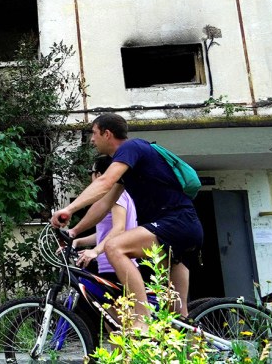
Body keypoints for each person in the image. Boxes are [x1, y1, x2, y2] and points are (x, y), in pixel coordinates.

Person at [50, 113, 202, 326]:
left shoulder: (132, 148)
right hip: (178, 228)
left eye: (94, 133)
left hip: (177, 222)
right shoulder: (128, 166)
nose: (92, 140)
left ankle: (141, 317)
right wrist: (75, 231)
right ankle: (200, 351)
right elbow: (103, 204)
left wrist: (69, 208)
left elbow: (104, 182)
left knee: (114, 247)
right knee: (177, 315)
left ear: (107, 133)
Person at [69, 155, 137, 283]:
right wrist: (78, 241)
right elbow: (104, 233)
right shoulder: (116, 195)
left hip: (115, 265)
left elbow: (119, 228)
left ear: (99, 175)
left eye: (92, 173)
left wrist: (95, 251)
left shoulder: (117, 196)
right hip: (110, 265)